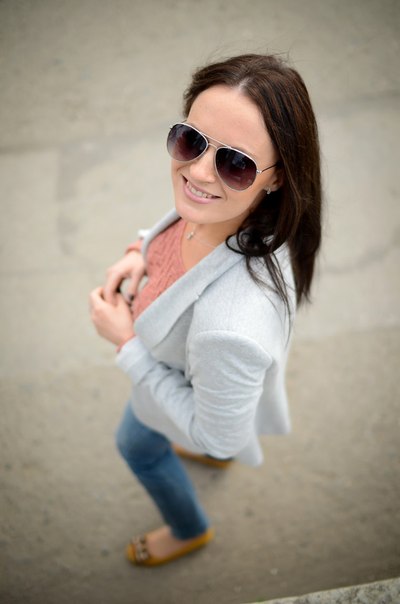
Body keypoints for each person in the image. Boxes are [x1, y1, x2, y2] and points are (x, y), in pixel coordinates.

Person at [89, 53, 322, 567]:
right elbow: (180, 224)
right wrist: (140, 251)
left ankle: (188, 529)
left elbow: (221, 436)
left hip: (169, 381)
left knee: (137, 448)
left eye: (236, 163)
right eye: (190, 140)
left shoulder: (230, 331)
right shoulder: (235, 211)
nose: (196, 171)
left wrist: (126, 343)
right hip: (192, 378)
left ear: (277, 177)